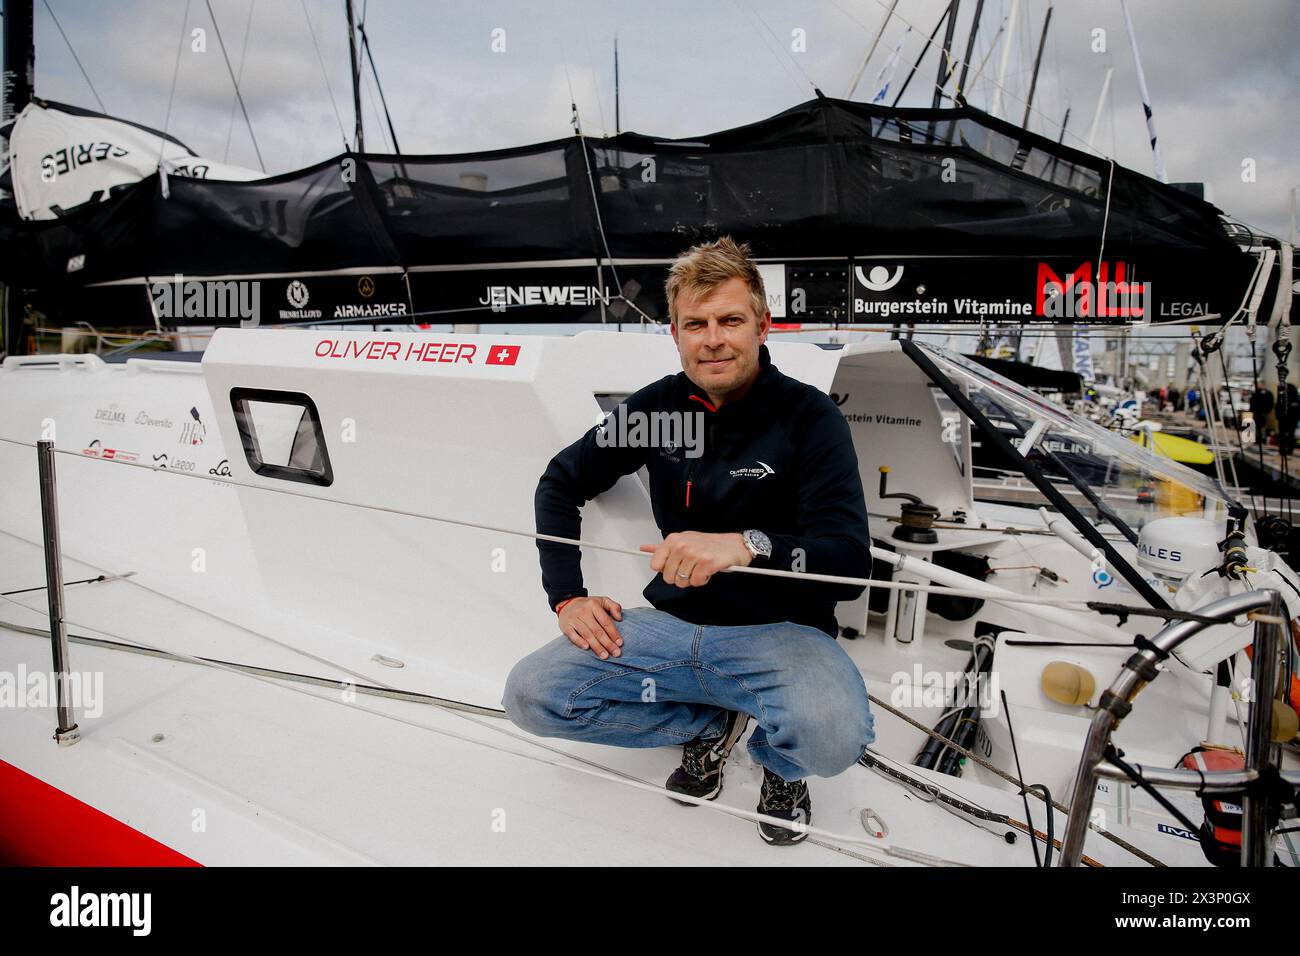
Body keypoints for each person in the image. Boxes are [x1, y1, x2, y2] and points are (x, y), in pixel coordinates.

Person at [502, 237, 875, 845]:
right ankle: (706, 725)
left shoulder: (808, 418)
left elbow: (849, 561)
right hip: (672, 628)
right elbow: (560, 481)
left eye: (730, 320)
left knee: (834, 737)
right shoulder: (660, 409)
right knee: (531, 696)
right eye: (694, 324)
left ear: (762, 326)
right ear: (674, 333)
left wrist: (747, 544)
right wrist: (568, 596)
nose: (713, 339)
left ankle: (779, 767)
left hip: (781, 636)